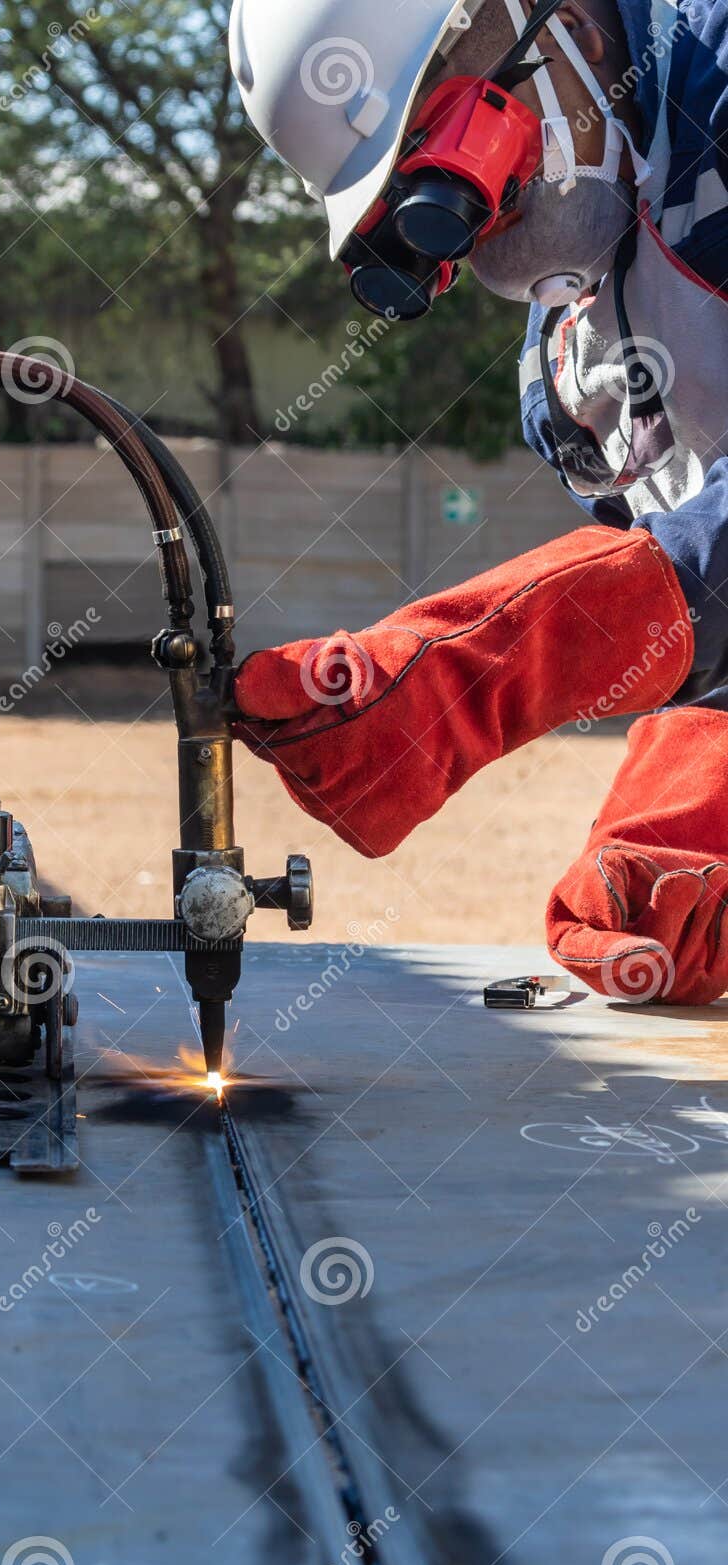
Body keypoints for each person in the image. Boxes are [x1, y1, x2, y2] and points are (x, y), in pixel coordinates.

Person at [229, 0, 728, 1004]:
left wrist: (482, 672)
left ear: (569, 26)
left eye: (446, 137)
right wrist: (699, 795)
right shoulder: (584, 350)